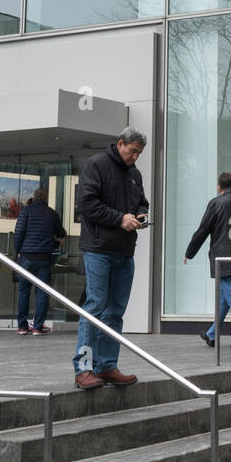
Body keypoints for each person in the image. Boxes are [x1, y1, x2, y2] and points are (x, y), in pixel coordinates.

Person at [71, 127, 148, 390]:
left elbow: (143, 203)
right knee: (94, 307)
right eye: (132, 151)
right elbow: (86, 203)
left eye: (139, 153)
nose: (135, 157)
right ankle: (83, 369)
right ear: (120, 144)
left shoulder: (135, 175)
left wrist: (141, 215)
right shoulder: (95, 165)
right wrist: (120, 219)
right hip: (98, 250)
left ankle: (106, 366)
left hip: (125, 251)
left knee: (115, 311)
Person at [185, 172, 231, 350]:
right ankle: (211, 335)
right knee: (225, 298)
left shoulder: (216, 203)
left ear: (219, 187)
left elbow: (203, 230)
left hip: (223, 259)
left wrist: (189, 252)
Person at [13, 187, 66, 335]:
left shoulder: (26, 211)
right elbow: (61, 233)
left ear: (34, 198)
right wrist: (61, 239)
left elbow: (18, 234)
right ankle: (38, 327)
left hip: (26, 258)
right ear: (46, 199)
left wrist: (18, 252)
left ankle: (22, 326)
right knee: (42, 293)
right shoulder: (52, 213)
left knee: (24, 292)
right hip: (44, 258)